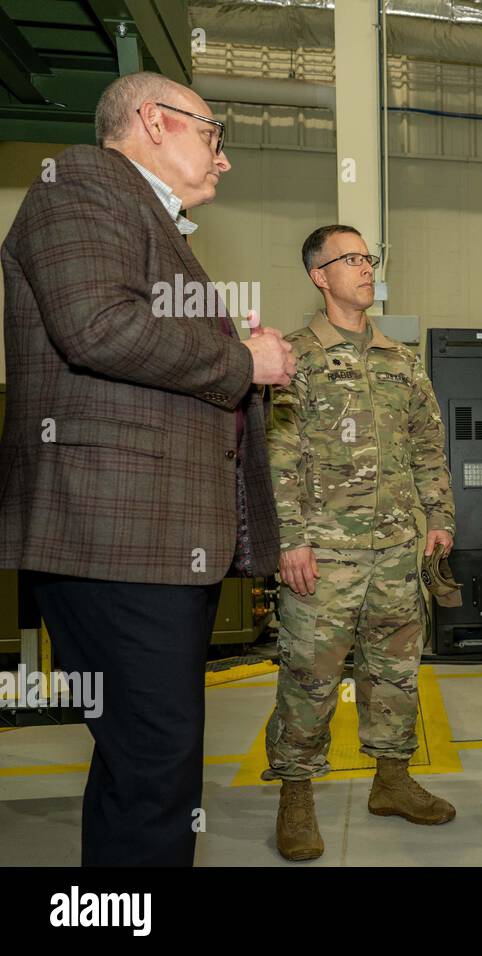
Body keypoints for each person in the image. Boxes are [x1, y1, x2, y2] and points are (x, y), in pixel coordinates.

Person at [0, 71, 293, 866]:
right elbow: (98, 327)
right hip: (115, 531)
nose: (222, 160)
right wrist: (242, 358)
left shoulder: (142, 217)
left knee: (142, 765)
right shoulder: (86, 183)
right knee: (156, 770)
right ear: (154, 121)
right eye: (213, 134)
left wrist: (237, 352)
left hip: (147, 538)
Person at [263, 225, 457, 861]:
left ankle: (392, 781)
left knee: (396, 671)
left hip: (398, 547)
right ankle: (296, 793)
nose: (364, 268)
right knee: (310, 675)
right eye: (348, 260)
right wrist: (290, 538)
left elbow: (429, 446)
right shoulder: (296, 357)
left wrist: (440, 517)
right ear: (319, 276)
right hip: (324, 551)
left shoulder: (401, 358)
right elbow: (278, 453)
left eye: (368, 258)